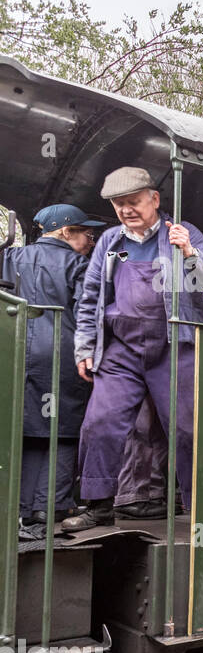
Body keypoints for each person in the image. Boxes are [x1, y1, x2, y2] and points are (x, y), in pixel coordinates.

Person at [65, 167, 203, 531]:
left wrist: (189, 251)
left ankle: (199, 507)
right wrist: (85, 347)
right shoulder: (108, 242)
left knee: (188, 429)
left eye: (133, 202)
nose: (126, 210)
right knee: (100, 422)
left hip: (175, 344)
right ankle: (99, 505)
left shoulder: (185, 233)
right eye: (119, 205)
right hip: (122, 348)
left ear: (155, 199)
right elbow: (90, 298)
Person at [112, 218, 203, 521]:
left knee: (161, 424)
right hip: (169, 341)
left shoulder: (177, 244)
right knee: (169, 423)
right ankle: (156, 495)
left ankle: (149, 494)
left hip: (156, 342)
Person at [0, 204, 103, 538]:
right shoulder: (79, 265)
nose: (91, 240)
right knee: (65, 429)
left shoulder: (10, 259)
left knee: (28, 429)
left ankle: (22, 508)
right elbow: (93, 314)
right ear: (64, 231)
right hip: (62, 354)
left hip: (14, 352)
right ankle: (51, 507)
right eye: (87, 234)